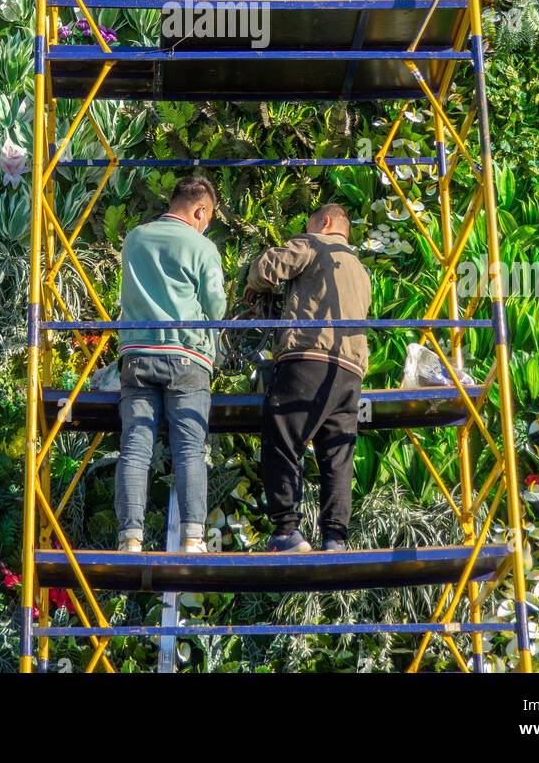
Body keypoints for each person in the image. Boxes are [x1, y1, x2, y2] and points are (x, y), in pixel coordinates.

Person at [246, 202, 371, 553]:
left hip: (308, 357)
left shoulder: (314, 244)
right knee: (337, 455)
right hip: (349, 372)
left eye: (310, 221)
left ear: (325, 221)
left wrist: (254, 283)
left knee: (283, 439)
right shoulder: (361, 271)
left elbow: (268, 269)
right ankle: (335, 538)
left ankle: (287, 531)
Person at [114, 176, 226, 554]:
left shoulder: (134, 239)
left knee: (134, 446)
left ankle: (130, 538)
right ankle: (193, 539)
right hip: (187, 357)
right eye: (207, 217)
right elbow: (216, 308)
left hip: (136, 355)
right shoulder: (202, 246)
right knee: (189, 450)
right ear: (200, 210)